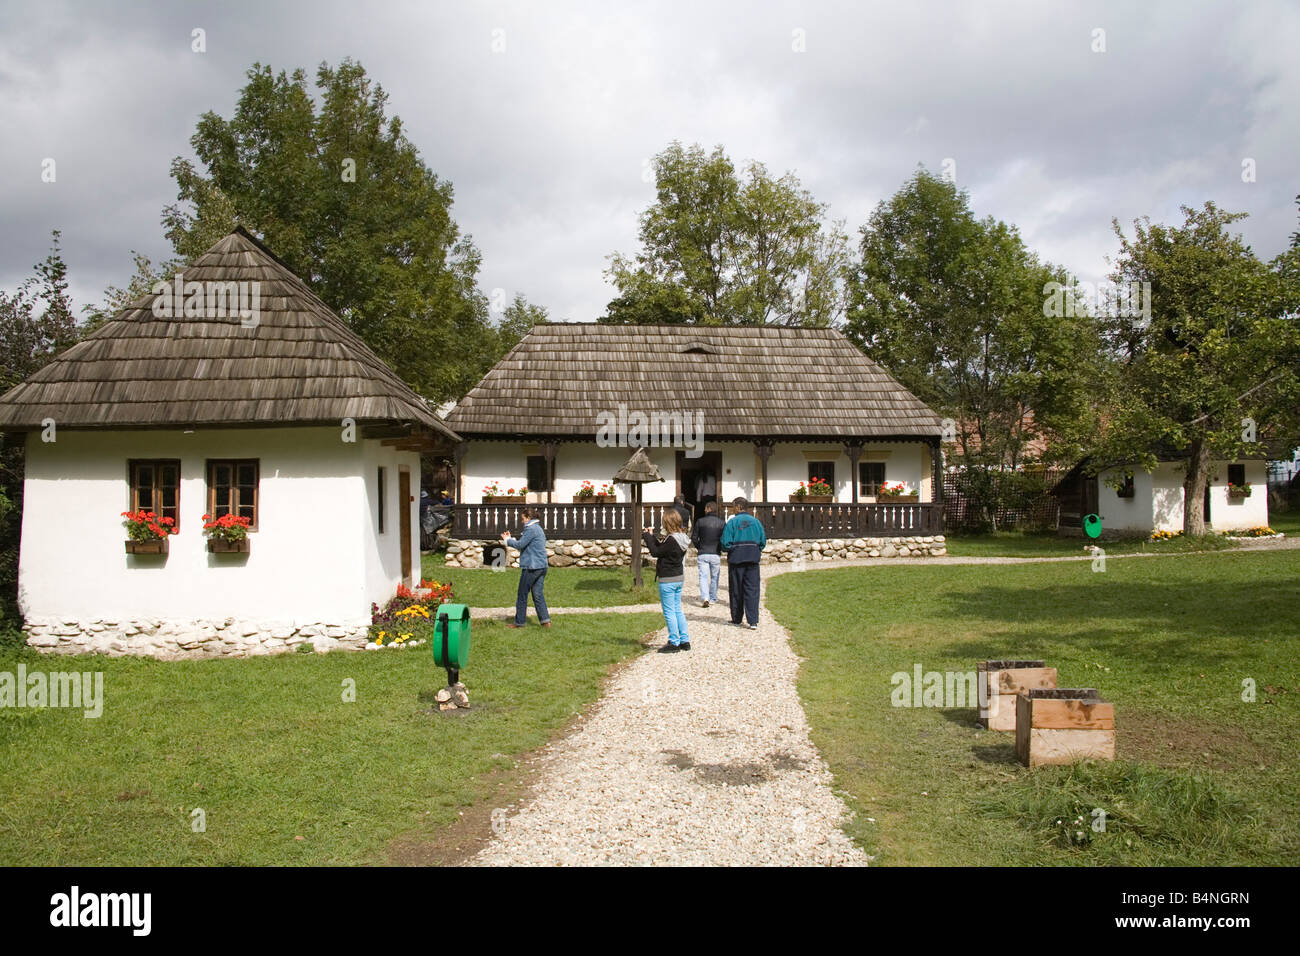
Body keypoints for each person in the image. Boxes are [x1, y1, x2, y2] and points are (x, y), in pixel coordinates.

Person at [643, 509, 691, 652]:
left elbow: (656, 552)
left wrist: (646, 536)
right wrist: (651, 537)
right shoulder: (681, 538)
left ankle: (674, 642)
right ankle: (685, 640)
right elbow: (662, 548)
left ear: (667, 523)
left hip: (668, 578)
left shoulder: (672, 539)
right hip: (678, 577)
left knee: (669, 611)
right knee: (677, 610)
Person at [721, 496, 766, 629]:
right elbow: (762, 542)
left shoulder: (732, 523)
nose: (733, 510)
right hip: (752, 559)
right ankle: (753, 621)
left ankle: (737, 618)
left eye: (733, 507)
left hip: (737, 560)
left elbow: (725, 543)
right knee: (752, 590)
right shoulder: (756, 522)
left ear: (738, 507)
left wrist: (732, 549)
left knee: (736, 589)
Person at [502, 507, 550, 628]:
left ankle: (519, 622)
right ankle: (545, 621)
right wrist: (511, 538)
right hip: (542, 566)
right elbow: (525, 543)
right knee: (538, 594)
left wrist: (507, 540)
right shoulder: (538, 528)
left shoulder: (531, 529)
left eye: (523, 519)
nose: (522, 521)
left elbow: (520, 544)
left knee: (522, 594)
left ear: (528, 518)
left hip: (531, 567)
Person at [691, 499, 724, 608]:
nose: (704, 510)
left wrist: (699, 547)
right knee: (715, 576)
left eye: (705, 508)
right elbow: (724, 539)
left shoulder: (700, 521)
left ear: (709, 509)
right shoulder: (721, 522)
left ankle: (705, 597)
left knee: (703, 576)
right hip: (715, 552)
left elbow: (694, 538)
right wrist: (720, 548)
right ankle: (713, 597)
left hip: (703, 552)